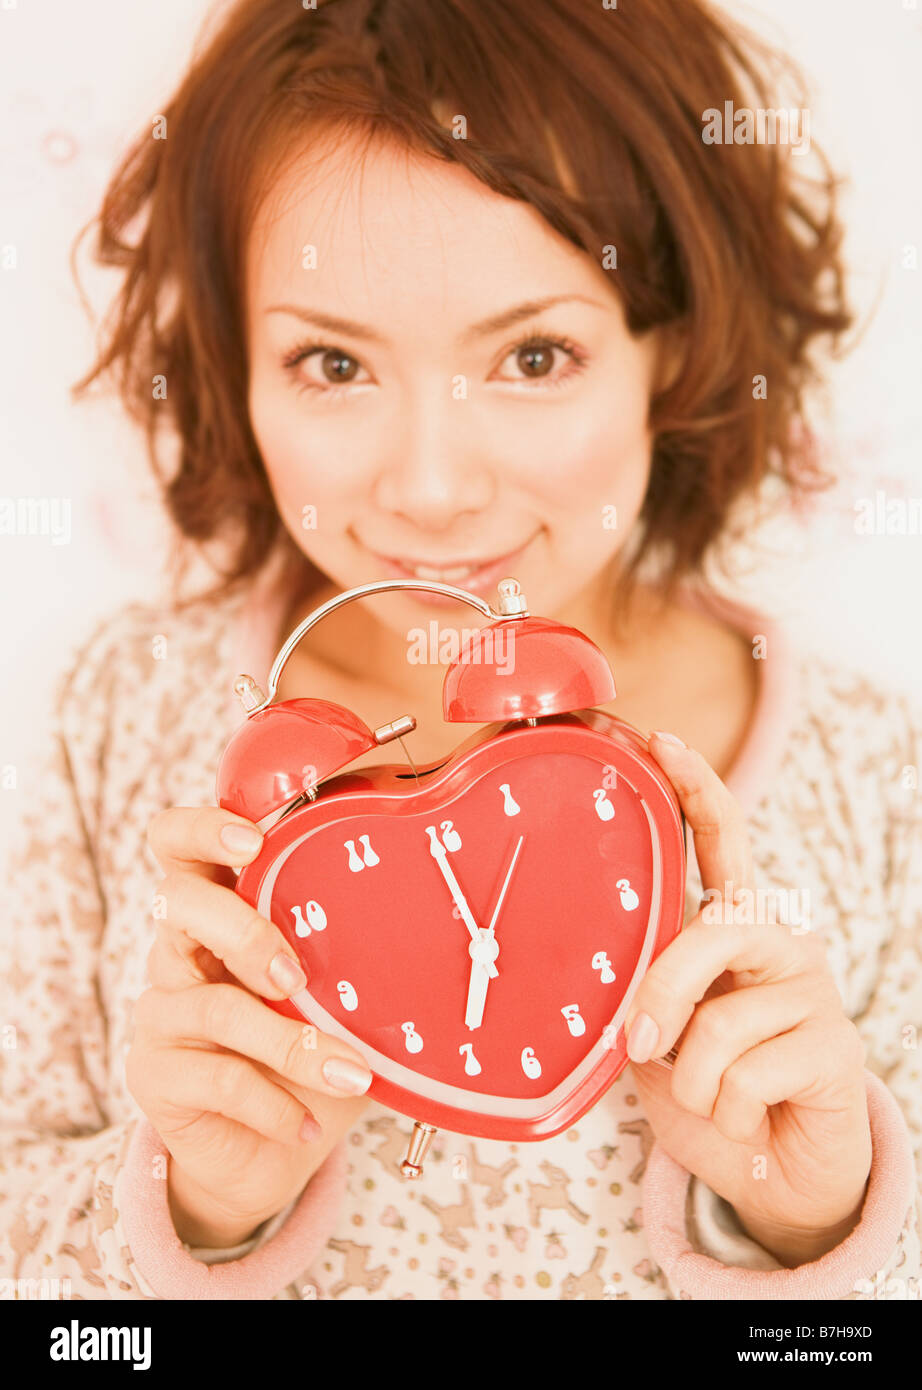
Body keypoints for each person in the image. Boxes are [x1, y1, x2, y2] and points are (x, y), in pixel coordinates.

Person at [1, 0, 918, 1300]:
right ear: (233, 367)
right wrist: (195, 1207)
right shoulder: (122, 717)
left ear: (670, 345)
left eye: (533, 355)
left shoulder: (873, 774)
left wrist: (816, 1222)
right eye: (331, 362)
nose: (430, 490)